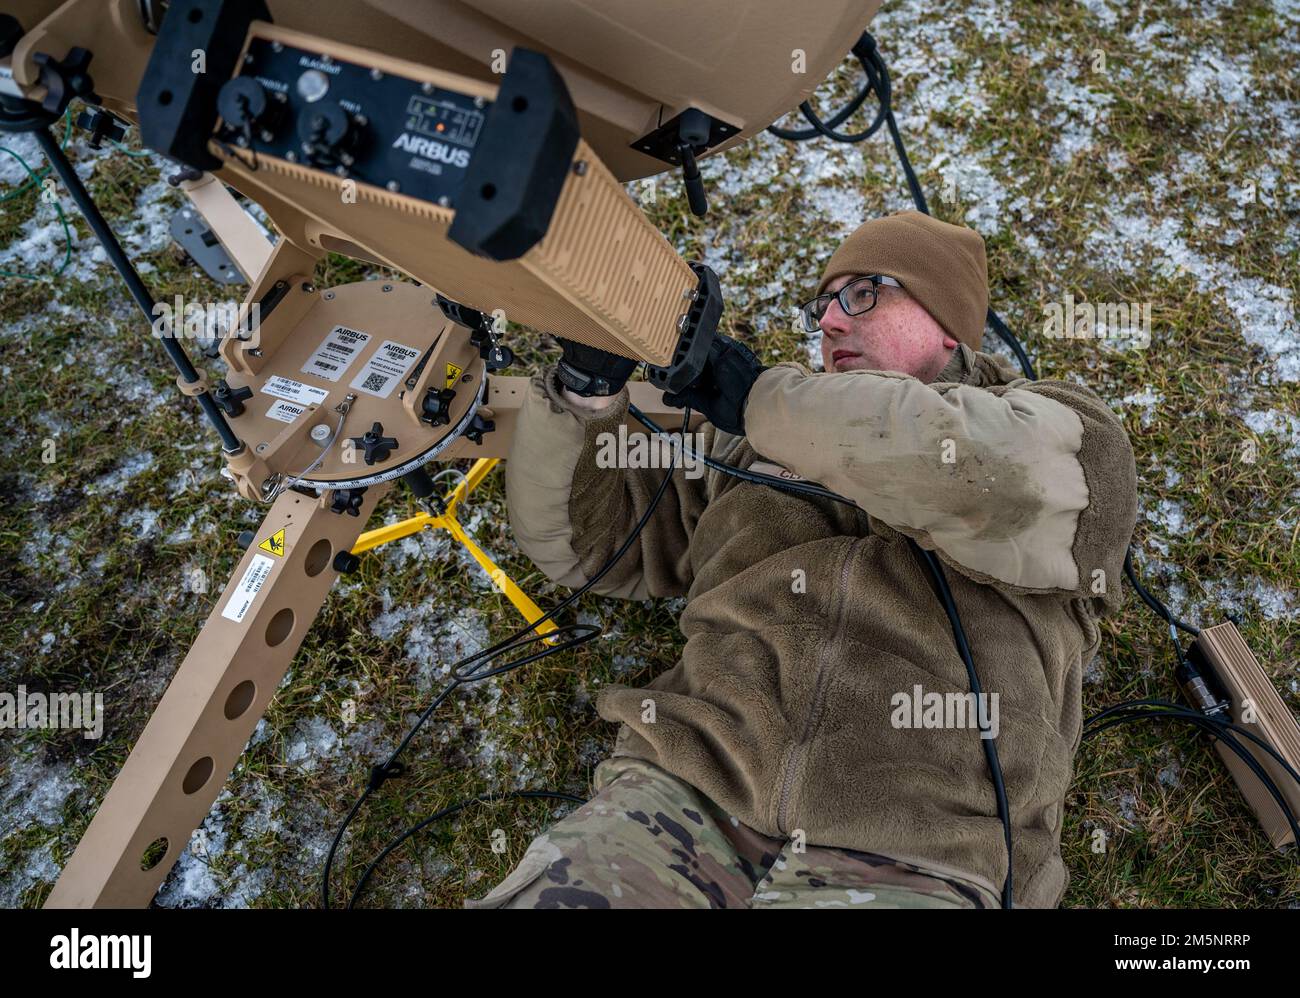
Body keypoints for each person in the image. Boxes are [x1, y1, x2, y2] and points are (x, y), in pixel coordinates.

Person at [467, 211, 1138, 908]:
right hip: (683, 795)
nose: (830, 324)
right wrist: (585, 390)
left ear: (949, 320)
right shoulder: (755, 452)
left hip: (923, 842)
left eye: (864, 294)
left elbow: (980, 469)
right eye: (822, 306)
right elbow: (588, 549)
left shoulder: (1069, 432)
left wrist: (759, 397)